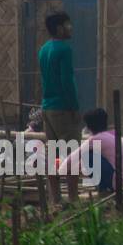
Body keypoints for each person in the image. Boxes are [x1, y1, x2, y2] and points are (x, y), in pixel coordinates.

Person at [39, 11, 80, 201]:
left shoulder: (44, 50)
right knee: (72, 153)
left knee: (53, 153)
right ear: (59, 28)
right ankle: (73, 199)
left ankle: (55, 199)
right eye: (67, 24)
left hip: (48, 108)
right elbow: (67, 81)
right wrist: (74, 107)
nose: (70, 28)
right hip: (63, 108)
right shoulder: (64, 49)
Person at [59, 108, 123, 195]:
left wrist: (60, 171)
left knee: (88, 156)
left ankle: (105, 191)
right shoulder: (115, 136)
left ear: (89, 126)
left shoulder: (97, 139)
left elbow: (72, 158)